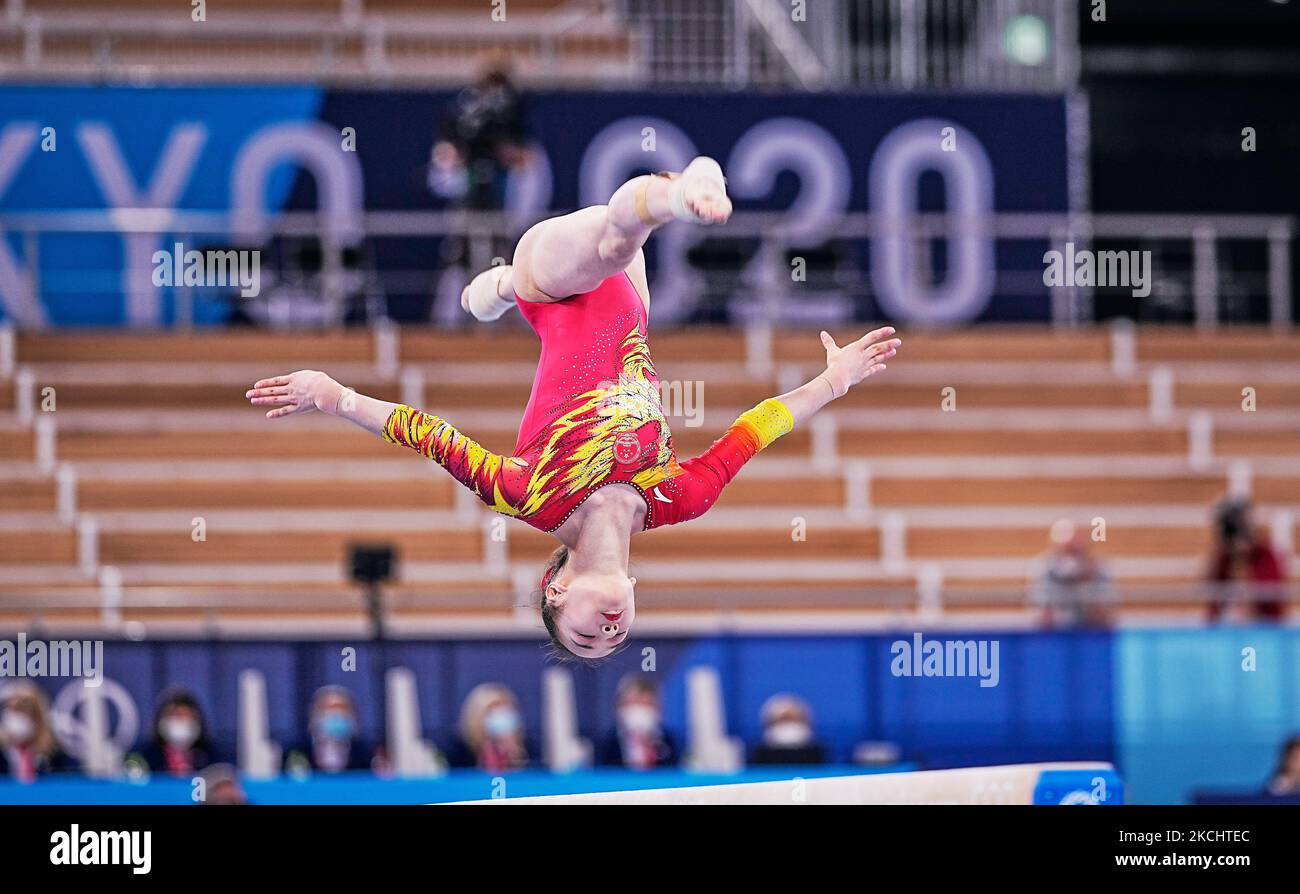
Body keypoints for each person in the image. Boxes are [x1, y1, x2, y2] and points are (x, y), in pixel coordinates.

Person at [246, 156, 902, 659]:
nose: (607, 636)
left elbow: (429, 434)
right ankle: (511, 282)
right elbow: (755, 428)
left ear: (553, 593)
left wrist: (333, 396)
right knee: (620, 248)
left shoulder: (533, 496)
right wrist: (834, 381)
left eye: (584, 638)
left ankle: (654, 206)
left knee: (615, 242)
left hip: (556, 287)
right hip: (629, 307)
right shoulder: (679, 498)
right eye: (615, 643)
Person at [1207, 499, 1287, 622]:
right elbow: (1213, 601)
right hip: (1227, 631)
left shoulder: (1265, 555)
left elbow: (1270, 603)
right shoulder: (1223, 560)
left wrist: (1243, 560)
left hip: (1264, 628)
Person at [1030, 519, 1116, 628]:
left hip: (1091, 634)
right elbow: (1043, 617)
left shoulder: (1098, 568)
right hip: (1056, 635)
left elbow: (1105, 615)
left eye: (1075, 550)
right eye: (1066, 550)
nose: (1071, 559)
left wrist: (1086, 583)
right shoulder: (1044, 568)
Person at [285, 686, 374, 774]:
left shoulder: (365, 753)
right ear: (314, 713)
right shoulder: (296, 751)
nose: (335, 714)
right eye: (328, 708)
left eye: (341, 708)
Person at [597, 674, 677, 770]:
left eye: (646, 704)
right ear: (619, 707)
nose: (639, 710)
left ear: (658, 708)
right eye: (633, 702)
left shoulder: (669, 741)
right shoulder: (606, 743)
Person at [0, 682, 73, 781]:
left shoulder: (54, 753)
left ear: (36, 717)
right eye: (11, 711)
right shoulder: (2, 753)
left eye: (22, 711)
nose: (15, 718)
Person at [140, 686, 219, 777]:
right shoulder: (144, 757)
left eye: (186, 716)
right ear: (160, 721)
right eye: (174, 715)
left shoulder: (213, 757)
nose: (180, 721)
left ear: (198, 721)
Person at [453, 683, 528, 773]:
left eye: (504, 712)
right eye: (492, 711)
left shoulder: (527, 749)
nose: (500, 717)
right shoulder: (458, 753)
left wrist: (515, 759)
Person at [750, 694, 827, 765]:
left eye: (793, 719)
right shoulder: (760, 752)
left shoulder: (816, 751)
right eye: (783, 720)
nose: (788, 726)